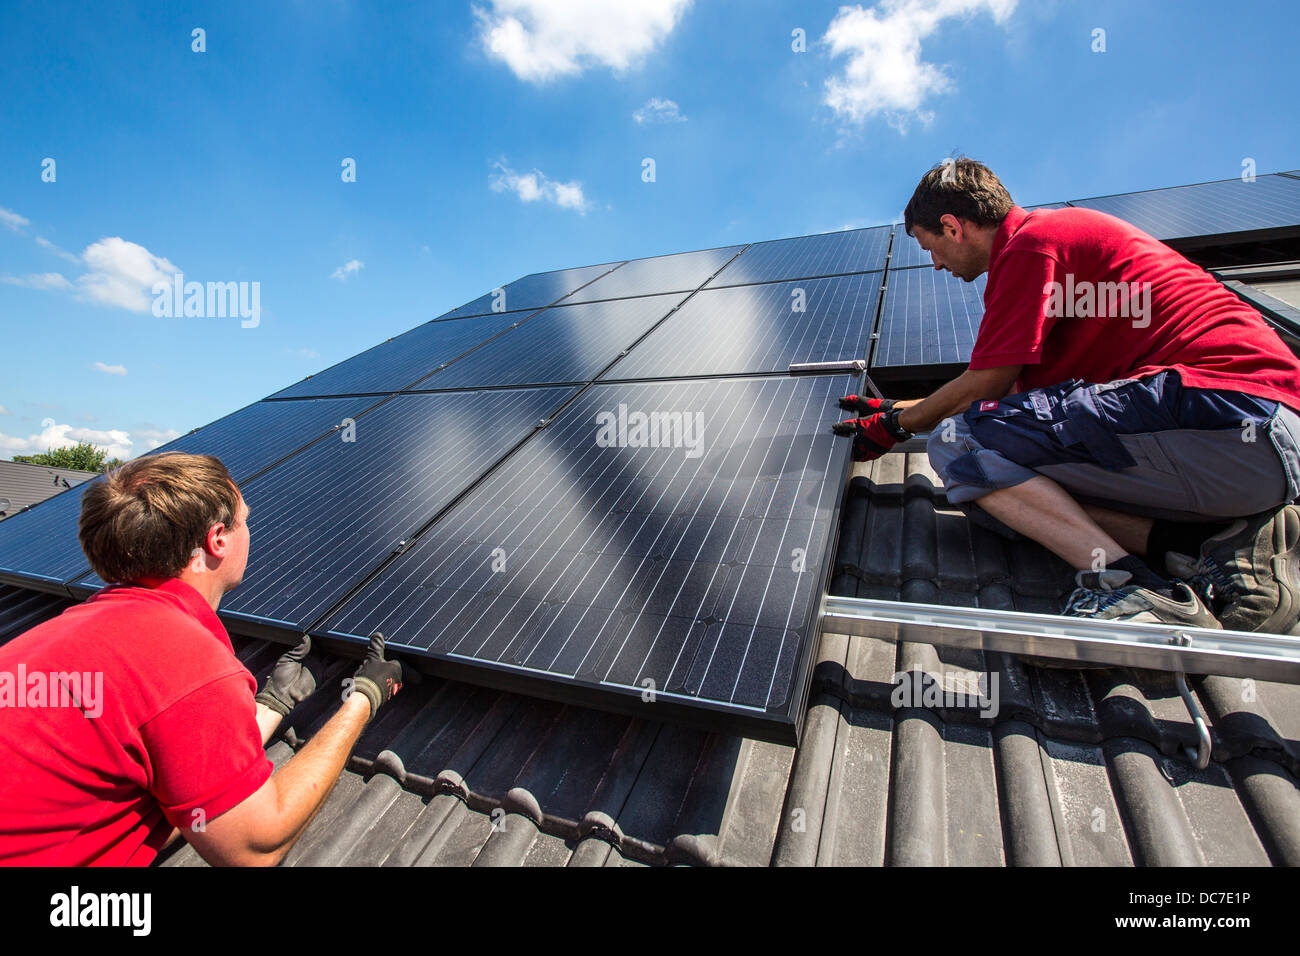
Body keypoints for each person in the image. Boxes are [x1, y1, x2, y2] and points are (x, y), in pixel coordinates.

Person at [834, 158, 1300, 631]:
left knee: (959, 442)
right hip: (1251, 450)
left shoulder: (1033, 245)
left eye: (930, 246)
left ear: (953, 227)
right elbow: (1007, 405)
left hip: (1228, 406)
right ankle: (1207, 543)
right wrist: (901, 408)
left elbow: (985, 387)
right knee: (991, 491)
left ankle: (1132, 589)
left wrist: (895, 427)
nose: (934, 263)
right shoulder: (1056, 247)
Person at [0, 451, 408, 865]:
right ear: (217, 540)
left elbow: (188, 798)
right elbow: (254, 847)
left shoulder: (56, 635)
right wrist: (364, 697)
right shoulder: (183, 659)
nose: (251, 531)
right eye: (245, 521)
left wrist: (270, 707)